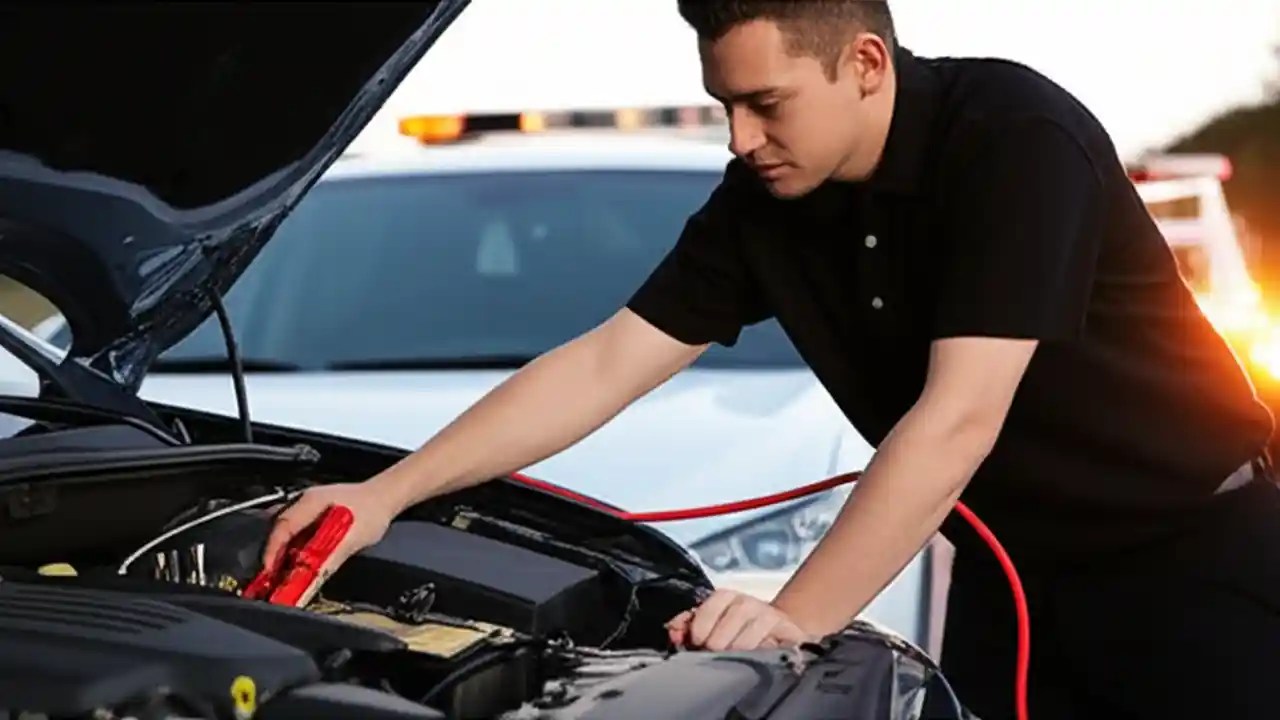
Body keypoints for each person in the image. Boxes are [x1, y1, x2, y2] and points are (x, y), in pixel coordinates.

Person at [265, 1, 1280, 717]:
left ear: (864, 64)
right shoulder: (764, 204)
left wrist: (789, 617)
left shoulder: (1015, 139)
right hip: (1012, 580)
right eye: (724, 108)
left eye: (766, 103)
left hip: (1194, 565)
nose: (741, 139)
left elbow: (958, 416)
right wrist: (384, 494)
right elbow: (605, 361)